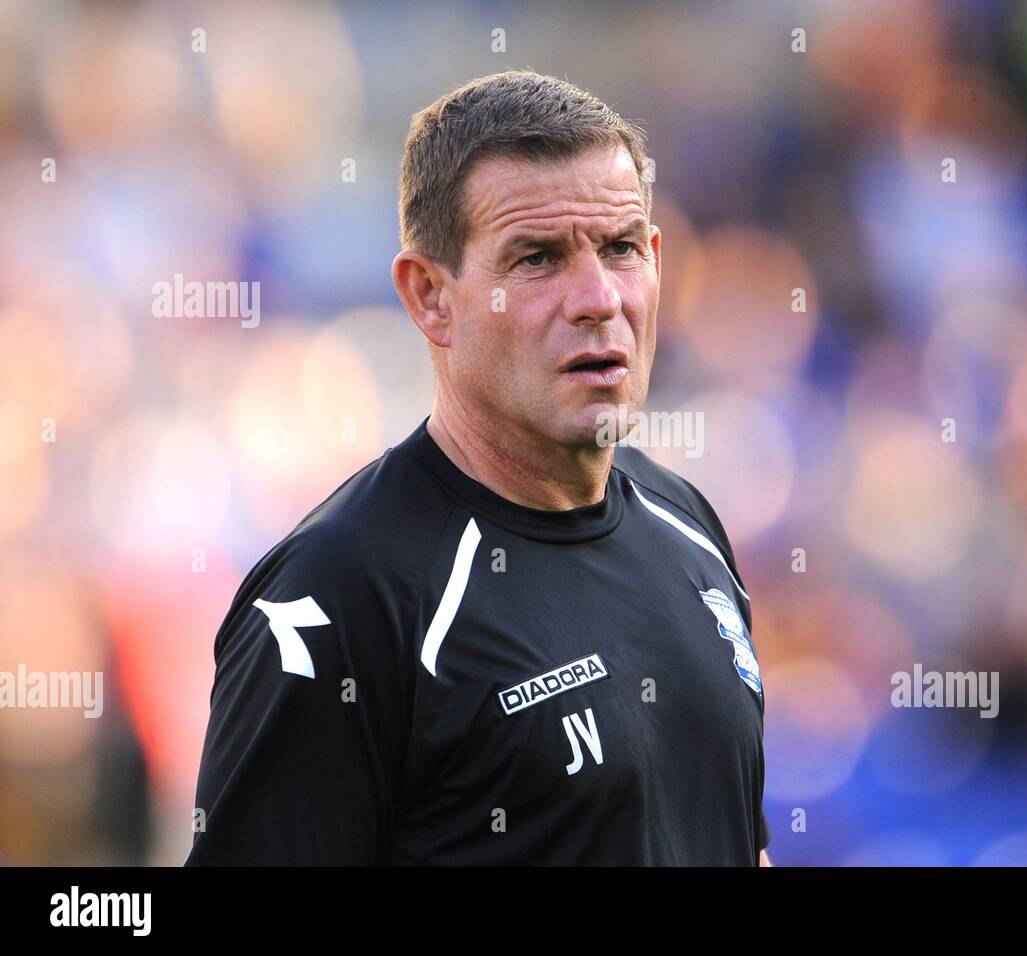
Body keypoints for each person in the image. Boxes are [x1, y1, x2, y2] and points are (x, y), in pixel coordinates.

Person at [186, 69, 771, 865]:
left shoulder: (688, 526)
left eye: (621, 248)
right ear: (431, 297)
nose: (599, 297)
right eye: (537, 259)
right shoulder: (342, 592)